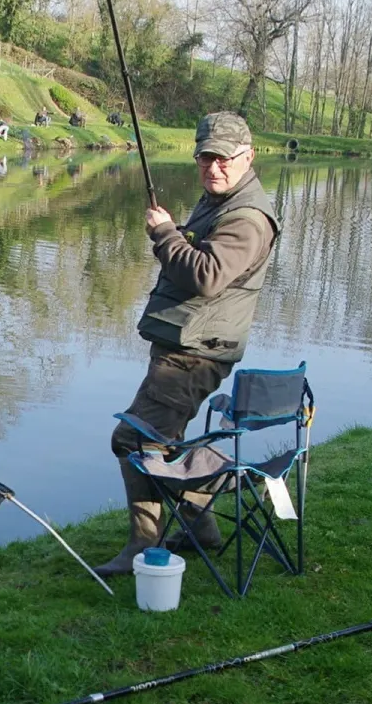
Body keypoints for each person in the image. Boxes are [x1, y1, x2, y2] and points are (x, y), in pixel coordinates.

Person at [94, 112, 280, 577]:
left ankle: (143, 543)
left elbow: (206, 275)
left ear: (249, 157)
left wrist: (164, 234)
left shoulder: (248, 218)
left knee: (135, 438)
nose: (213, 168)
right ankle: (201, 526)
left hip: (194, 355)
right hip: (186, 345)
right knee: (163, 440)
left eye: (224, 159)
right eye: (205, 159)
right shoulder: (222, 200)